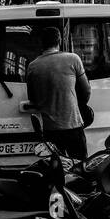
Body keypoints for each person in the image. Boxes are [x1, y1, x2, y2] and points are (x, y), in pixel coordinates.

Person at [25, 27, 91, 158]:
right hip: (73, 126)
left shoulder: (33, 66)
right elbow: (86, 91)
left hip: (50, 130)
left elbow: (33, 99)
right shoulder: (73, 59)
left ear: (42, 43)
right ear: (59, 41)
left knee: (56, 169)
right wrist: (78, 105)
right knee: (79, 168)